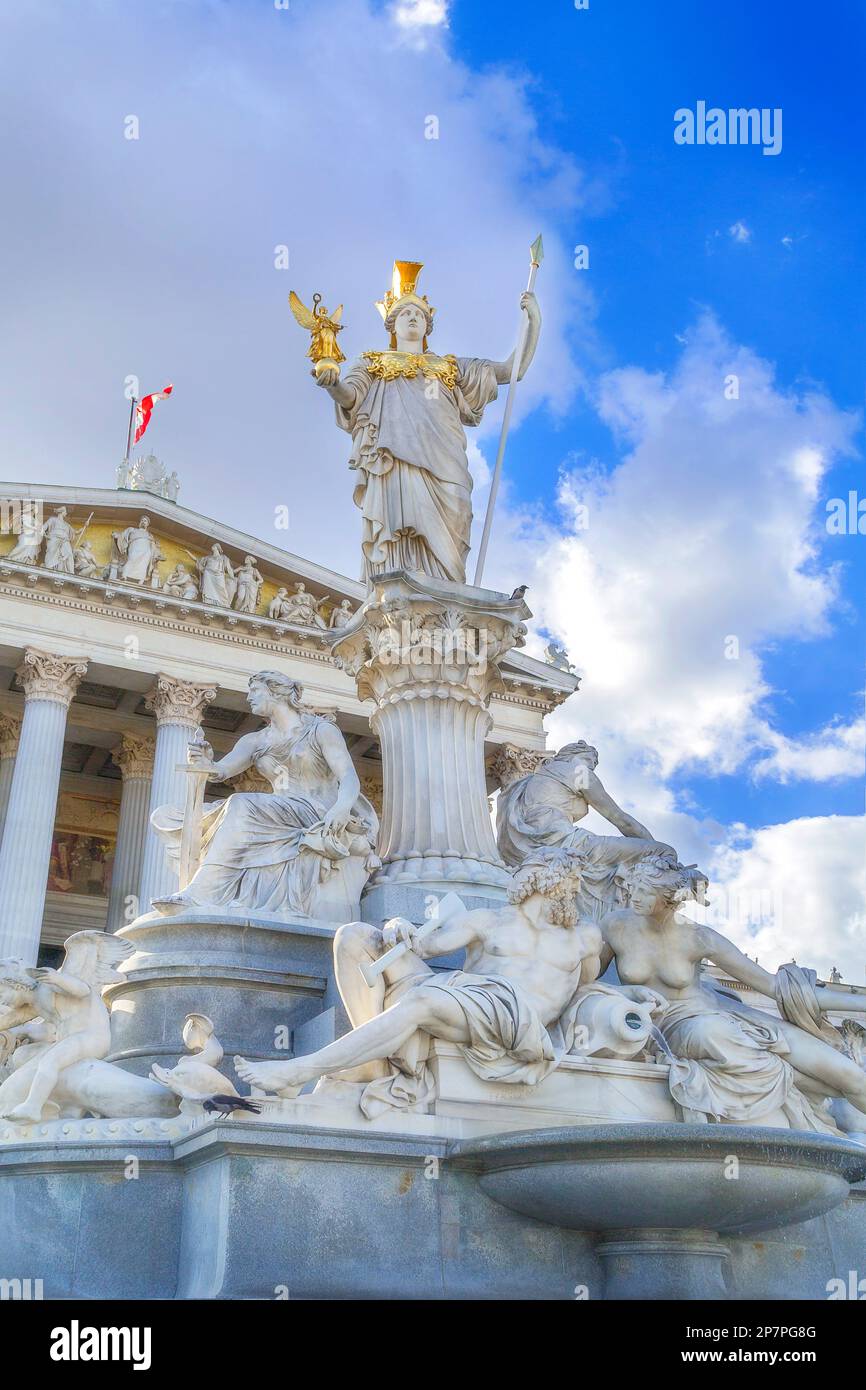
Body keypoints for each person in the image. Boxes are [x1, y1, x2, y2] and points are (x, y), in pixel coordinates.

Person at [234, 849, 603, 1113]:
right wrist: (398, 926)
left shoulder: (584, 938)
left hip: (515, 1023)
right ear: (545, 879)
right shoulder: (488, 920)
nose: (575, 890)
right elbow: (425, 947)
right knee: (355, 937)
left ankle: (301, 1070)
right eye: (572, 882)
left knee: (423, 1000)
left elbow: (586, 991)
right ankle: (373, 1063)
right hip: (469, 999)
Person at [312, 260, 541, 584]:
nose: (413, 318)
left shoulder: (450, 367)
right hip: (394, 461)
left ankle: (445, 595)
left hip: (445, 461)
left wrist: (533, 320)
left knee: (456, 519)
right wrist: (332, 381)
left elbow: (511, 370)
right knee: (397, 530)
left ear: (427, 325)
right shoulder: (373, 363)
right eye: (405, 313)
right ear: (392, 325)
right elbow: (351, 398)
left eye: (419, 315)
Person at [600, 855, 866, 1130]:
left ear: (670, 898)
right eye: (633, 887)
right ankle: (792, 1079)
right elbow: (587, 982)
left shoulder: (698, 936)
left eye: (644, 891)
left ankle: (803, 1080)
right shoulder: (615, 926)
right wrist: (630, 991)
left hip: (726, 1014)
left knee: (853, 1078)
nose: (633, 896)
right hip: (680, 1029)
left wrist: (860, 1003)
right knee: (713, 1032)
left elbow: (776, 987)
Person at [150, 672, 378, 920]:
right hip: (281, 811)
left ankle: (202, 891)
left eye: (255, 691)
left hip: (317, 811)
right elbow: (222, 770)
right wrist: (206, 763)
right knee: (174, 816)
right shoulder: (255, 741)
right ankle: (214, 893)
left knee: (240, 804)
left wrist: (342, 808)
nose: (249, 697)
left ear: (276, 693)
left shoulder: (321, 730)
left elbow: (348, 776)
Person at [497, 740, 676, 922]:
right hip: (563, 841)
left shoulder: (530, 780)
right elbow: (621, 820)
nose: (592, 767)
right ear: (577, 756)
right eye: (591, 761)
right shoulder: (579, 771)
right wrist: (653, 848)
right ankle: (647, 922)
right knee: (662, 852)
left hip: (522, 850)